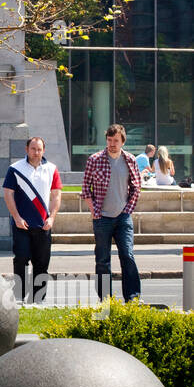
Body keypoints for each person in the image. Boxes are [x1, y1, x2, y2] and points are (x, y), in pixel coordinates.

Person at [81, 123, 142, 302]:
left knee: (128, 256)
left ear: (123, 141)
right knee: (102, 260)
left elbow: (136, 187)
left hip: (123, 216)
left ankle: (133, 298)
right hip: (102, 217)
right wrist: (94, 211)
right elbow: (85, 188)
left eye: (116, 140)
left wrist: (127, 210)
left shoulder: (130, 160)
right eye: (109, 140)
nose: (112, 144)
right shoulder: (95, 159)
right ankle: (105, 300)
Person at [2, 136, 62, 304]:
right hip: (22, 224)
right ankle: (19, 297)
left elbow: (56, 195)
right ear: (26, 149)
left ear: (44, 150)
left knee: (42, 263)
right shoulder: (15, 169)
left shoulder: (51, 169)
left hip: (43, 225)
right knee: (21, 259)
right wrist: (16, 217)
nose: (36, 152)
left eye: (39, 149)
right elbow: (8, 193)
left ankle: (38, 299)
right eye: (33, 149)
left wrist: (52, 218)